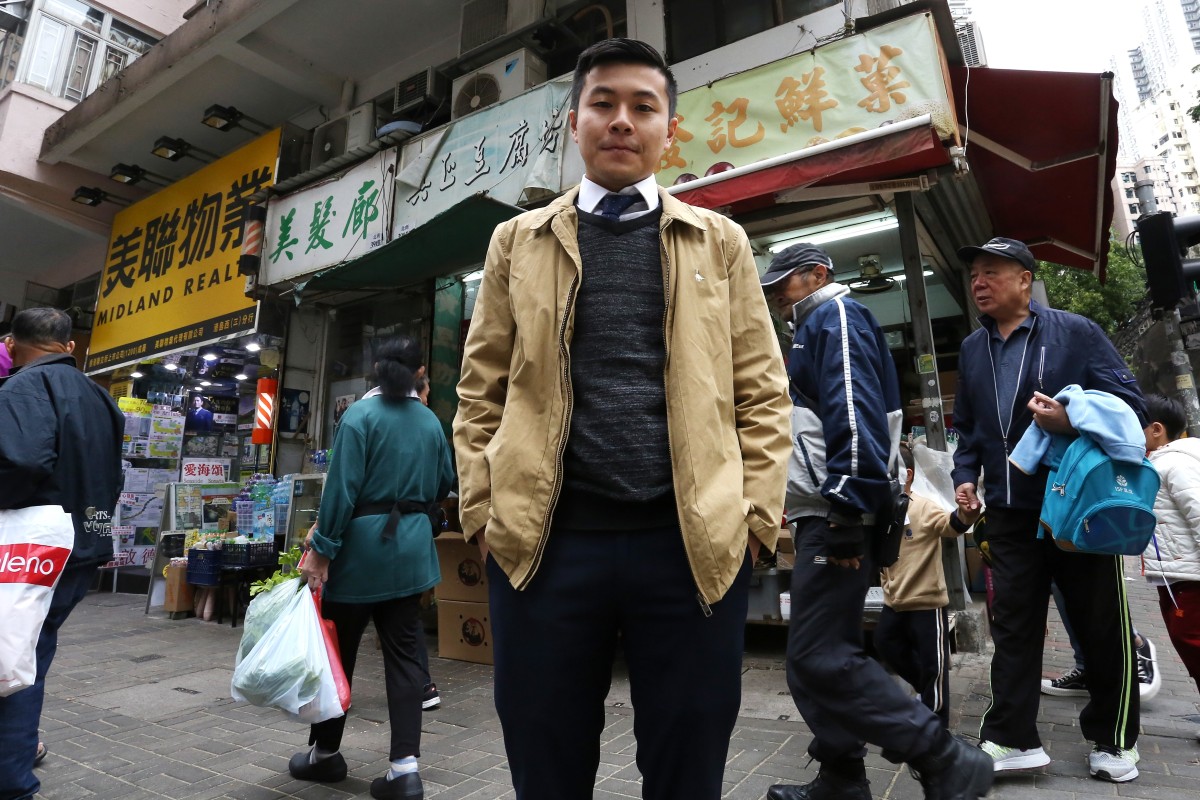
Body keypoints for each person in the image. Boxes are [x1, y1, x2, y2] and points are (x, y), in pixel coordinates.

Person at [453, 38, 792, 800]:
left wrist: (754, 521)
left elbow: (763, 393)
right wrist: (483, 509)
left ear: (670, 131)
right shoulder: (517, 242)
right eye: (603, 103)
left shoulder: (720, 241)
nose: (621, 121)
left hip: (691, 546)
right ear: (573, 122)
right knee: (546, 765)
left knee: (688, 762)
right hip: (545, 546)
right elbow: (480, 392)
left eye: (643, 107)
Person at [761, 243, 992, 800]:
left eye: (783, 284)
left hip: (841, 511)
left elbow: (855, 412)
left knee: (819, 655)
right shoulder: (816, 327)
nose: (775, 298)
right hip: (830, 510)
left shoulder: (834, 316)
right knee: (812, 656)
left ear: (818, 273)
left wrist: (845, 508)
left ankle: (944, 756)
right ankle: (841, 777)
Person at [951, 237, 1145, 782]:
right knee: (1012, 626)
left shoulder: (1075, 332)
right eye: (974, 276)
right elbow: (967, 428)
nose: (979, 283)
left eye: (991, 272)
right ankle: (1013, 739)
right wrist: (966, 477)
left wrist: (1069, 421)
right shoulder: (972, 348)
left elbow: (1130, 405)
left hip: (1077, 507)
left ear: (1025, 279)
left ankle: (1115, 739)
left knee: (1100, 623)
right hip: (1010, 512)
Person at [290, 336, 454, 800]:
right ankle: (405, 771)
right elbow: (445, 482)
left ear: (376, 373)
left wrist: (321, 549)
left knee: (338, 656)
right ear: (420, 374)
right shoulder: (429, 422)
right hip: (411, 554)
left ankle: (324, 757)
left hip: (359, 556)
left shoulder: (359, 417)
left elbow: (340, 492)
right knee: (405, 658)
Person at [0, 308, 124, 800]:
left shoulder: (20, 391)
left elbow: (22, 459)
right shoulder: (101, 397)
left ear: (11, 344)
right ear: (69, 347)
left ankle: (12, 778)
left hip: (29, 549)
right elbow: (113, 477)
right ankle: (20, 749)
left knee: (14, 656)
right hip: (82, 547)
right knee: (28, 651)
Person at [875, 442, 980, 728]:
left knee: (935, 665)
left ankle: (936, 725)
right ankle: (926, 692)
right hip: (893, 601)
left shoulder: (921, 506)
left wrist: (968, 513)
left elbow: (951, 525)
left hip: (926, 602)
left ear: (907, 474)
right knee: (885, 644)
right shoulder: (881, 510)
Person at [1140, 393, 1200, 731]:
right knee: (1185, 638)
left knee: (1191, 638)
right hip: (1175, 573)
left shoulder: (1173, 463)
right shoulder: (1161, 461)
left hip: (1190, 573)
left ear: (1157, 429)